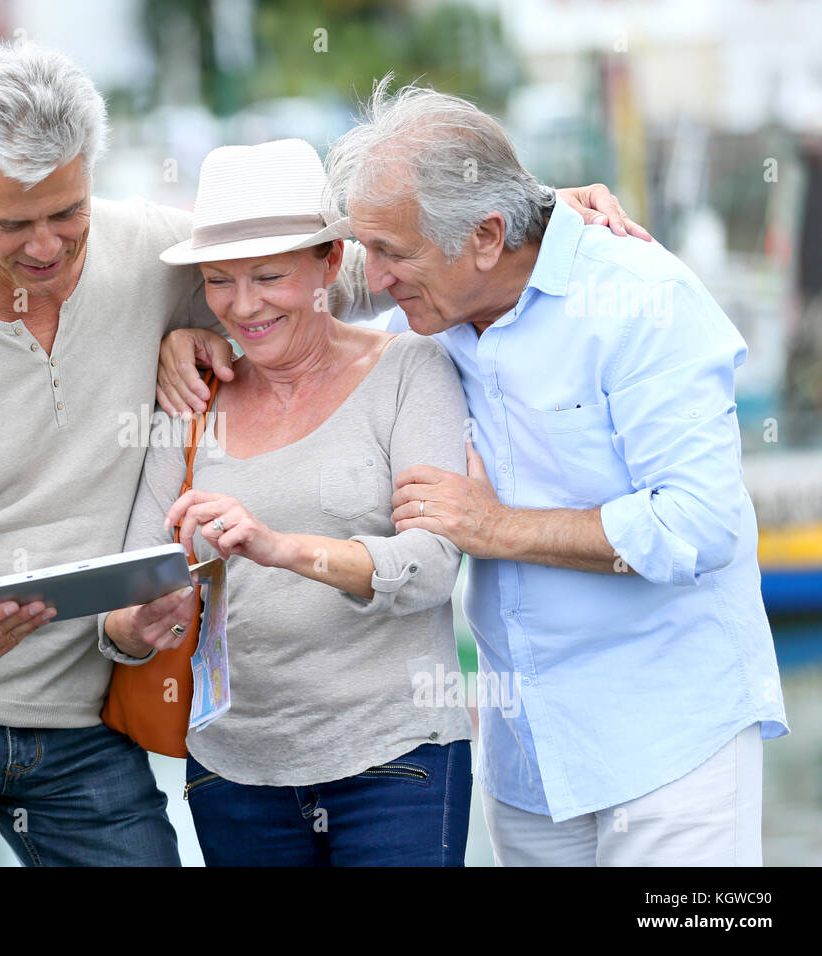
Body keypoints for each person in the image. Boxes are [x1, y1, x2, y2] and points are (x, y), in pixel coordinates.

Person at [0, 38, 643, 868]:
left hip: (84, 720)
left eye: (66, 214)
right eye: (12, 223)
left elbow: (354, 265)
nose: (44, 247)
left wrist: (533, 222)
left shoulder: (151, 251)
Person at [323, 79, 787, 865]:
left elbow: (697, 525)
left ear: (485, 236)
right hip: (529, 759)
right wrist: (183, 338)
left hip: (676, 750)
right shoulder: (432, 294)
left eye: (392, 254)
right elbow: (278, 291)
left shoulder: (645, 300)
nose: (377, 275)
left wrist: (493, 527)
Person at [105, 139, 473, 866]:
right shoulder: (192, 397)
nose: (243, 306)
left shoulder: (410, 369)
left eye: (269, 276)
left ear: (329, 264)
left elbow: (432, 567)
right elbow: (127, 598)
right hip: (234, 773)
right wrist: (134, 623)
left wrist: (276, 547)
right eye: (218, 281)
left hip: (397, 758)